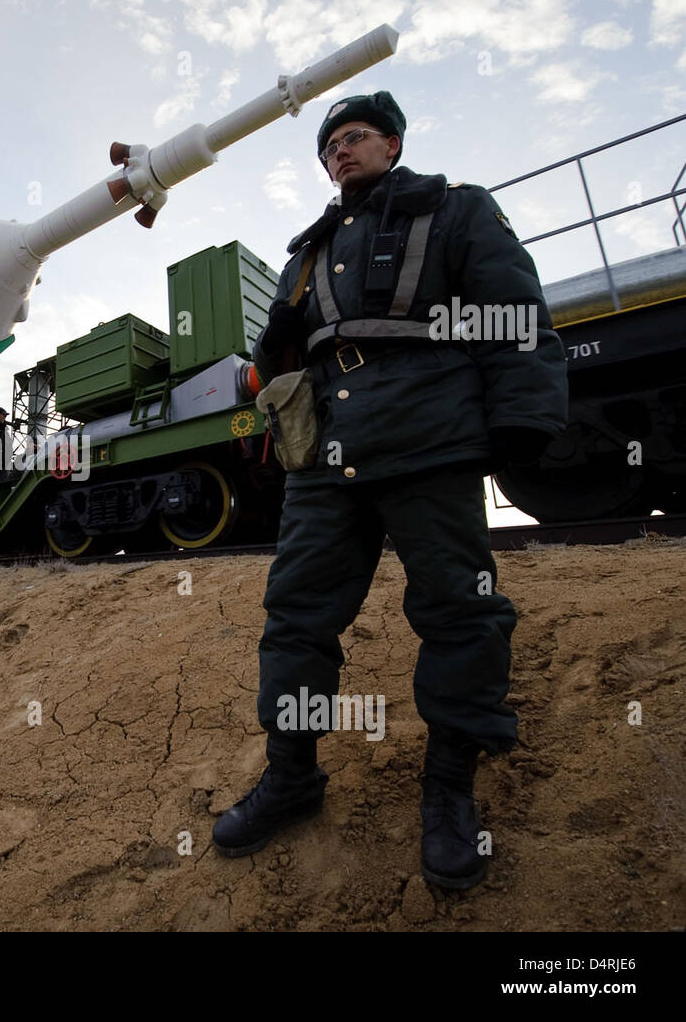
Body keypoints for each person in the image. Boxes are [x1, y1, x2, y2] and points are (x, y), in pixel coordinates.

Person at [211, 91, 569, 890]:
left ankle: (448, 791)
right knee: (297, 617)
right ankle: (292, 775)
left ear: (392, 143)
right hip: (326, 458)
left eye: (356, 136)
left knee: (459, 613)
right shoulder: (308, 251)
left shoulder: (453, 209)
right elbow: (281, 354)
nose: (341, 150)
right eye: (330, 144)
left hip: (429, 439)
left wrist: (521, 415)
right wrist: (268, 378)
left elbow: (513, 309)